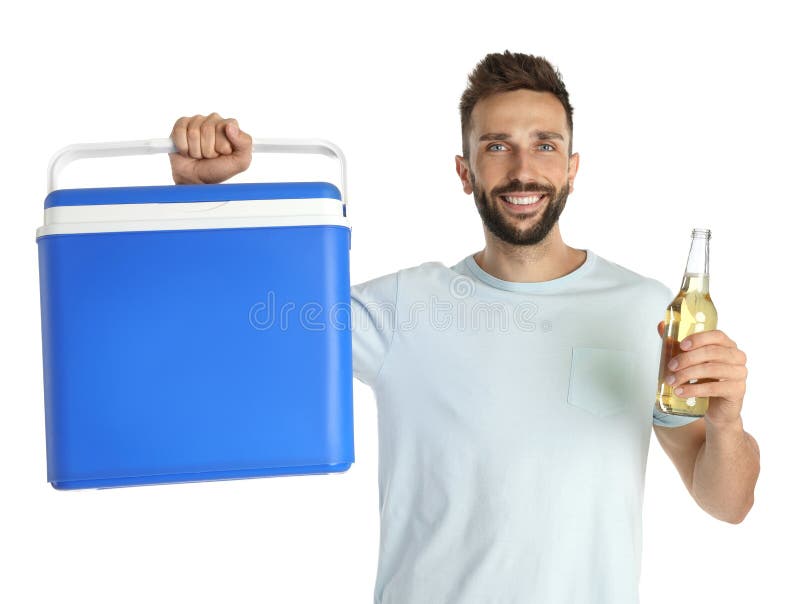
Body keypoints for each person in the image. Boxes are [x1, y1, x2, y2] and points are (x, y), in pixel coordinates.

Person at [168, 51, 760, 604]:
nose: (524, 170)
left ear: (572, 168)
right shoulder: (403, 307)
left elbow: (729, 503)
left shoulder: (645, 309)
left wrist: (726, 421)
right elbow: (229, 326)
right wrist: (202, 198)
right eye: (498, 147)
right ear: (465, 170)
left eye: (545, 145)